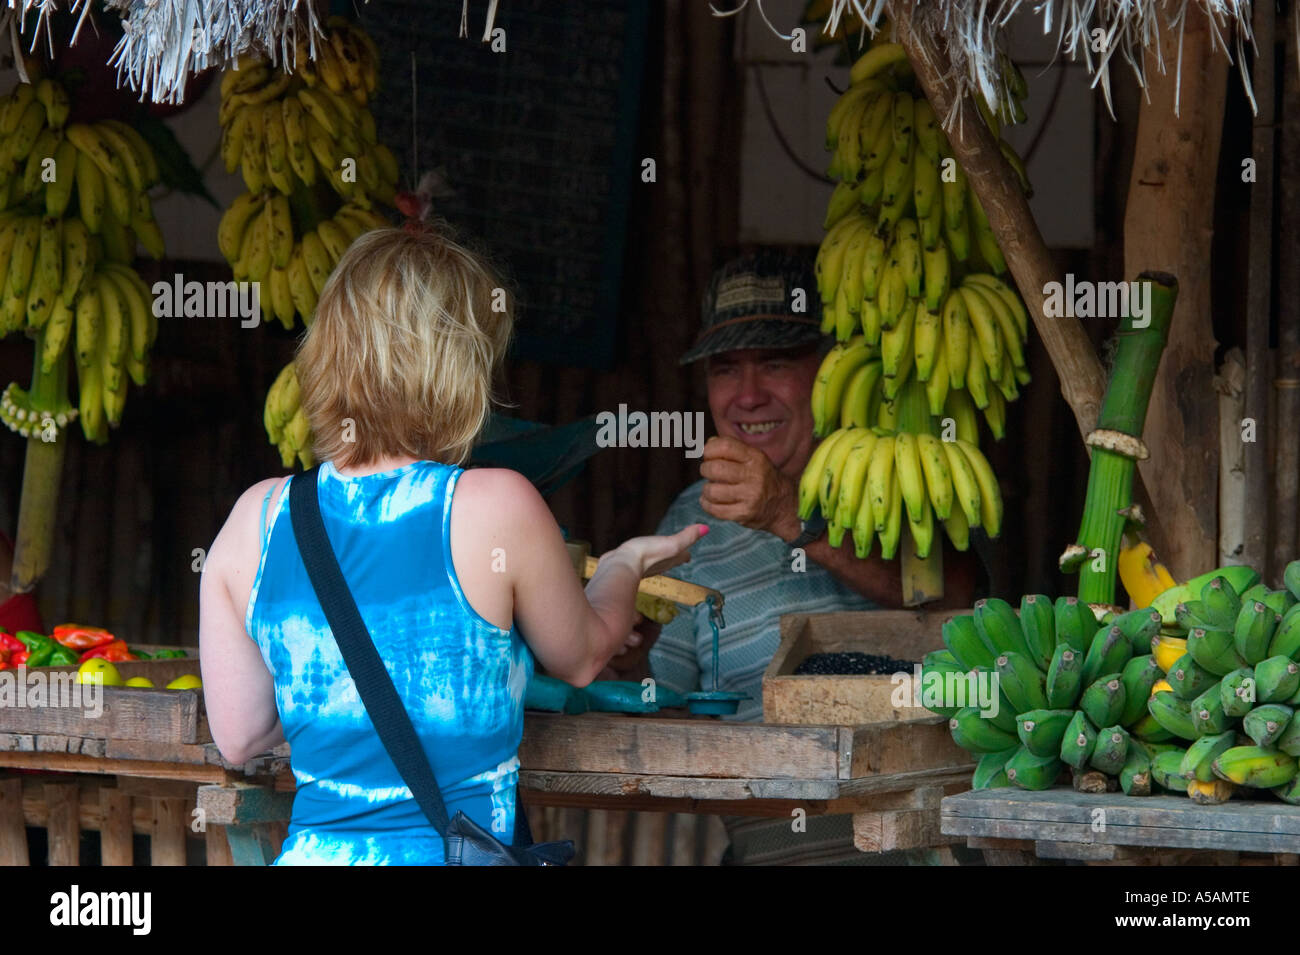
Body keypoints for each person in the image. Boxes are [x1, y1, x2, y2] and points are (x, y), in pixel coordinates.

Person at [199, 226, 704, 865]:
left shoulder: (255, 520)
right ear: (458, 365)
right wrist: (628, 563)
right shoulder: (497, 505)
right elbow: (580, 657)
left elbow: (241, 736)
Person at [602, 250, 977, 864]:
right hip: (765, 845)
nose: (747, 396)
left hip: (909, 840)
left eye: (775, 363)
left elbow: (962, 600)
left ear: (830, 369)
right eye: (726, 370)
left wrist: (786, 516)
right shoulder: (692, 519)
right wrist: (623, 649)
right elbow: (663, 698)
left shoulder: (888, 473)